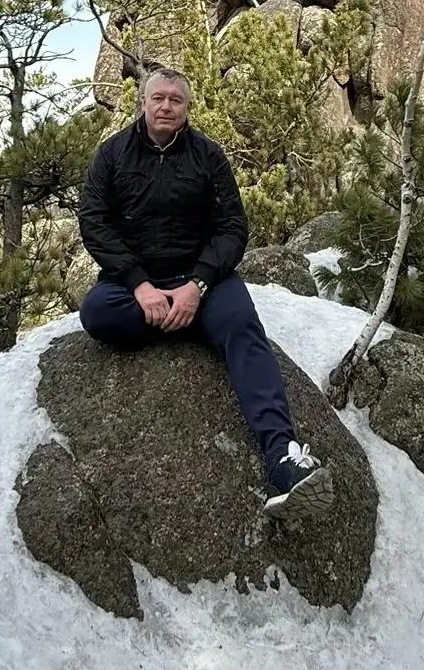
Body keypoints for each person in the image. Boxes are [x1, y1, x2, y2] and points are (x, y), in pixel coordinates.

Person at [77, 66, 333, 523]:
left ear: (187, 109)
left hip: (203, 280)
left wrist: (196, 287)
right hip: (136, 281)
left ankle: (283, 458)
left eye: (176, 99)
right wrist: (140, 286)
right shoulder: (112, 155)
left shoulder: (208, 157)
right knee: (97, 314)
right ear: (142, 102)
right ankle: (190, 326)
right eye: (158, 97)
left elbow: (233, 229)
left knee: (243, 327)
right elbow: (94, 223)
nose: (166, 106)